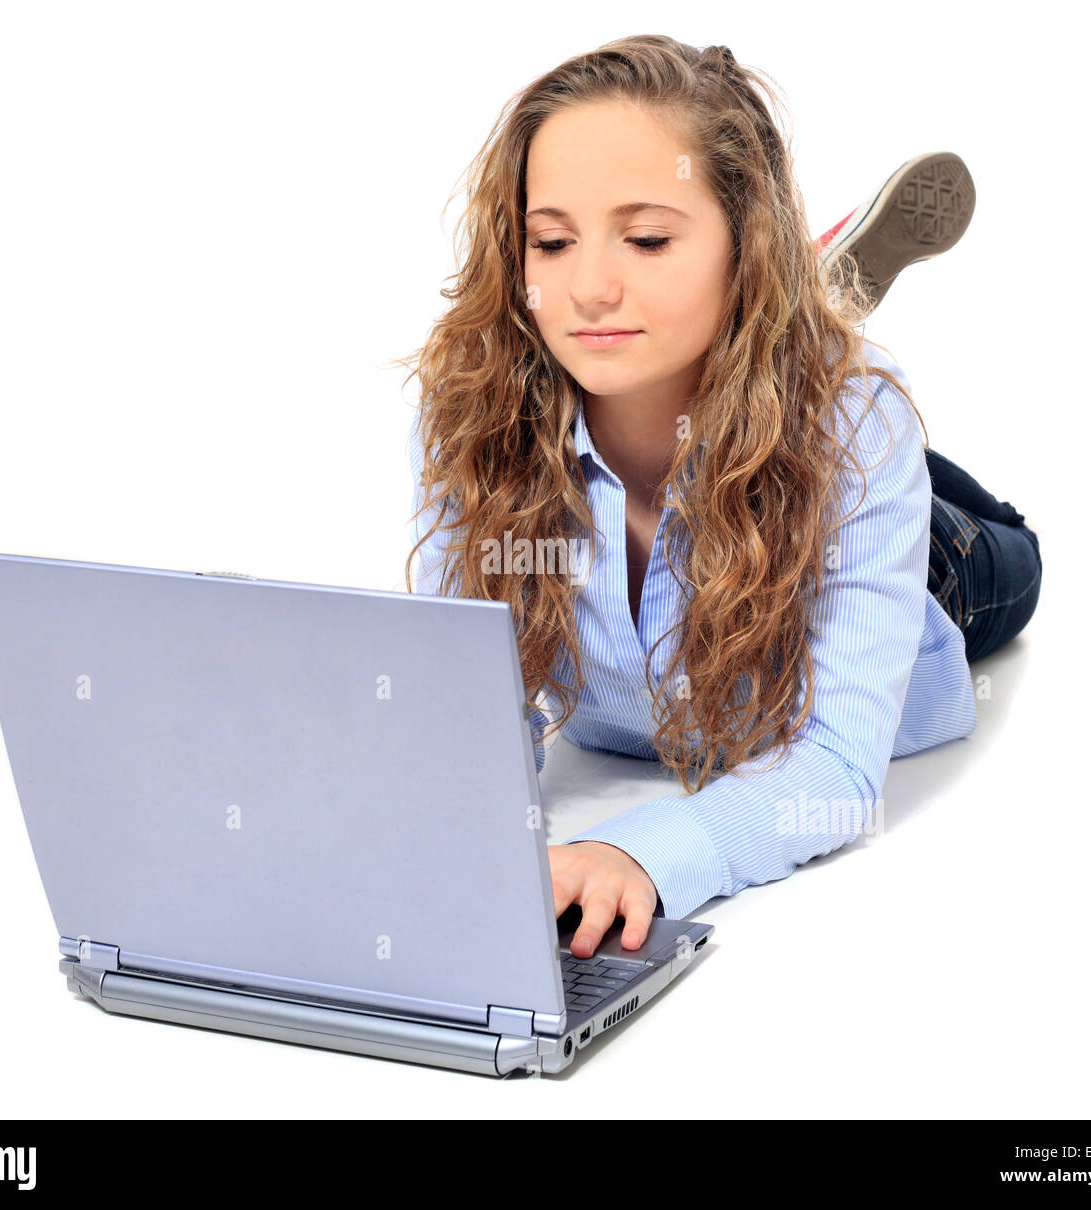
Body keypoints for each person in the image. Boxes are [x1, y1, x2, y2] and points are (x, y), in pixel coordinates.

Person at [402, 35, 1041, 959]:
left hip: (931, 565)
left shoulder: (858, 428)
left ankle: (799, 334)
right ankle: (791, 318)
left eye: (650, 238)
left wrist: (640, 853)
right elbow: (461, 698)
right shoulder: (467, 407)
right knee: (810, 412)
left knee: (974, 522)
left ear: (746, 239)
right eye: (552, 240)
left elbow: (832, 764)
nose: (588, 287)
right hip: (762, 415)